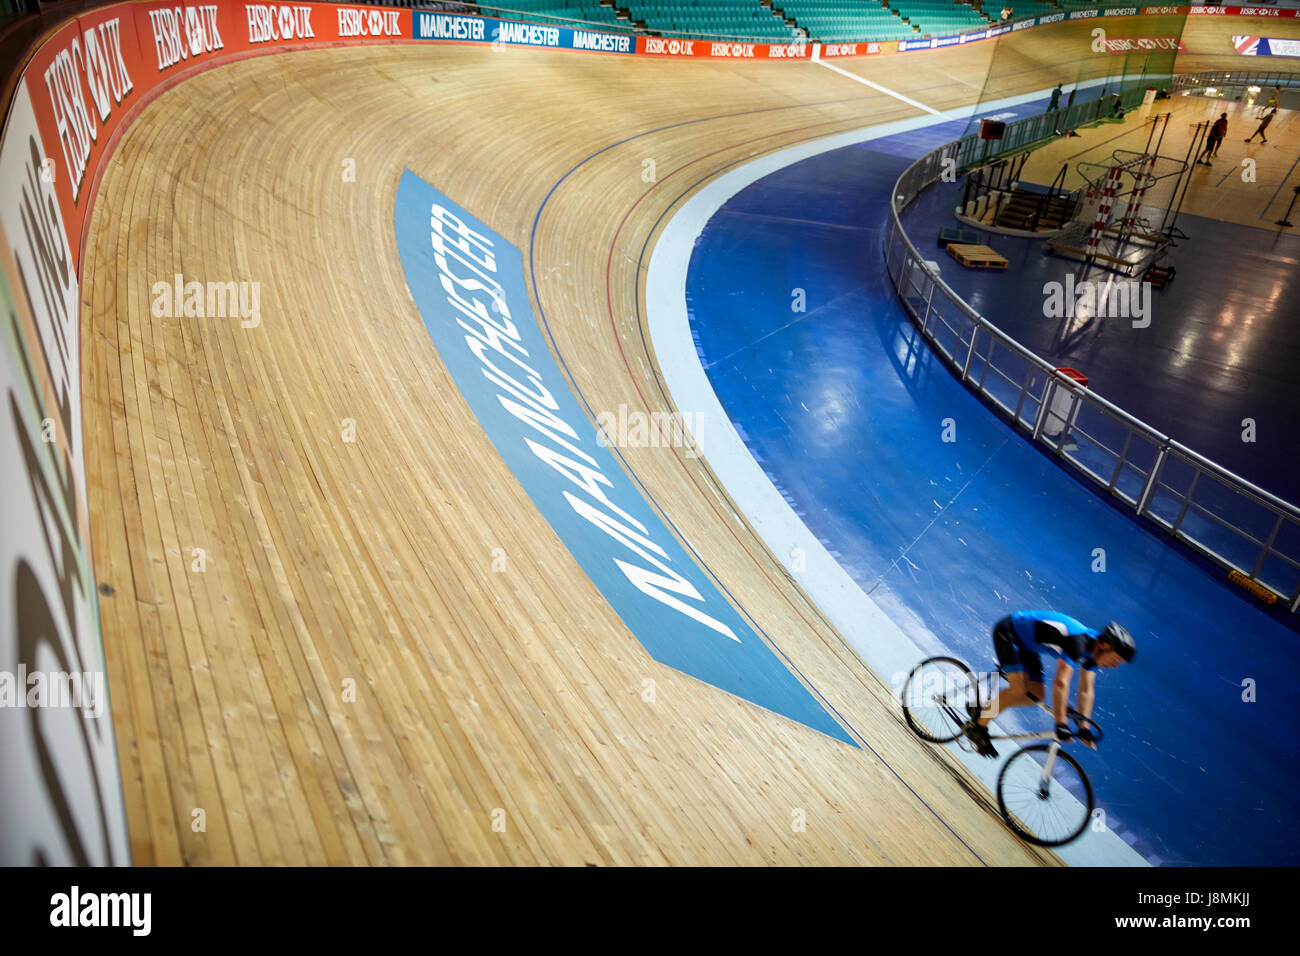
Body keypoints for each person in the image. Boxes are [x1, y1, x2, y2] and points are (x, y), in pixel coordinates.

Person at [964, 611, 1136, 758]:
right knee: (1018, 690)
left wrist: (1084, 726)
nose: (1114, 666)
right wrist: (1061, 723)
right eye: (1115, 659)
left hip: (1027, 646)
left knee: (1035, 696)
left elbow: (1086, 690)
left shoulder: (1093, 655)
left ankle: (984, 709)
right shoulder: (1078, 642)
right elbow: (1060, 683)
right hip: (1009, 633)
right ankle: (977, 729)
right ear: (1104, 645)